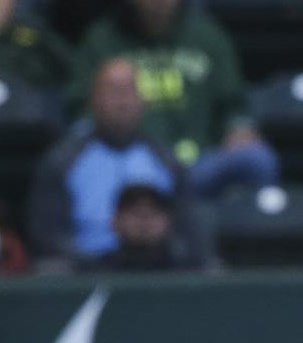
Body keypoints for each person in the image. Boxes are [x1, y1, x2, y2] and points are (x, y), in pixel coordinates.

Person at [69, 0, 279, 199]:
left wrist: (239, 127)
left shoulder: (208, 37)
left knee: (257, 159)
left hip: (199, 166)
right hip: (131, 166)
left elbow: (233, 103)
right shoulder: (103, 40)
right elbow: (79, 108)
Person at [28, 57, 200, 267]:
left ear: (144, 101)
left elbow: (188, 233)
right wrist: (93, 265)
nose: (122, 102)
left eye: (129, 91)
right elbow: (48, 235)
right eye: (113, 92)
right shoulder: (62, 161)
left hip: (158, 271)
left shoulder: (168, 161)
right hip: (86, 274)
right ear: (93, 100)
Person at [76, 181, 196, 271]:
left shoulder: (189, 272)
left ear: (168, 222)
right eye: (135, 212)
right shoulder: (93, 273)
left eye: (153, 213)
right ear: (115, 221)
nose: (144, 221)